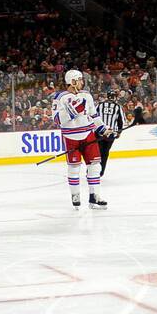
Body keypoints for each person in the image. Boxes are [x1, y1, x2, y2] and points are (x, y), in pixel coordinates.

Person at [51, 69, 108, 209]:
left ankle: (94, 197)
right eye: (80, 79)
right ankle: (75, 195)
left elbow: (93, 116)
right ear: (73, 81)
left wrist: (103, 129)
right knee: (74, 168)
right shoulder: (60, 97)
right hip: (71, 137)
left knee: (95, 167)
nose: (82, 82)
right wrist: (72, 111)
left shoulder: (87, 95)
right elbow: (57, 120)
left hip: (88, 135)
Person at [95, 89, 128, 176]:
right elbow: (121, 121)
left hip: (99, 132)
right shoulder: (117, 107)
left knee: (97, 152)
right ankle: (101, 172)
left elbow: (93, 117)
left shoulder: (100, 105)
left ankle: (92, 171)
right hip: (111, 134)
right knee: (105, 153)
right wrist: (119, 132)